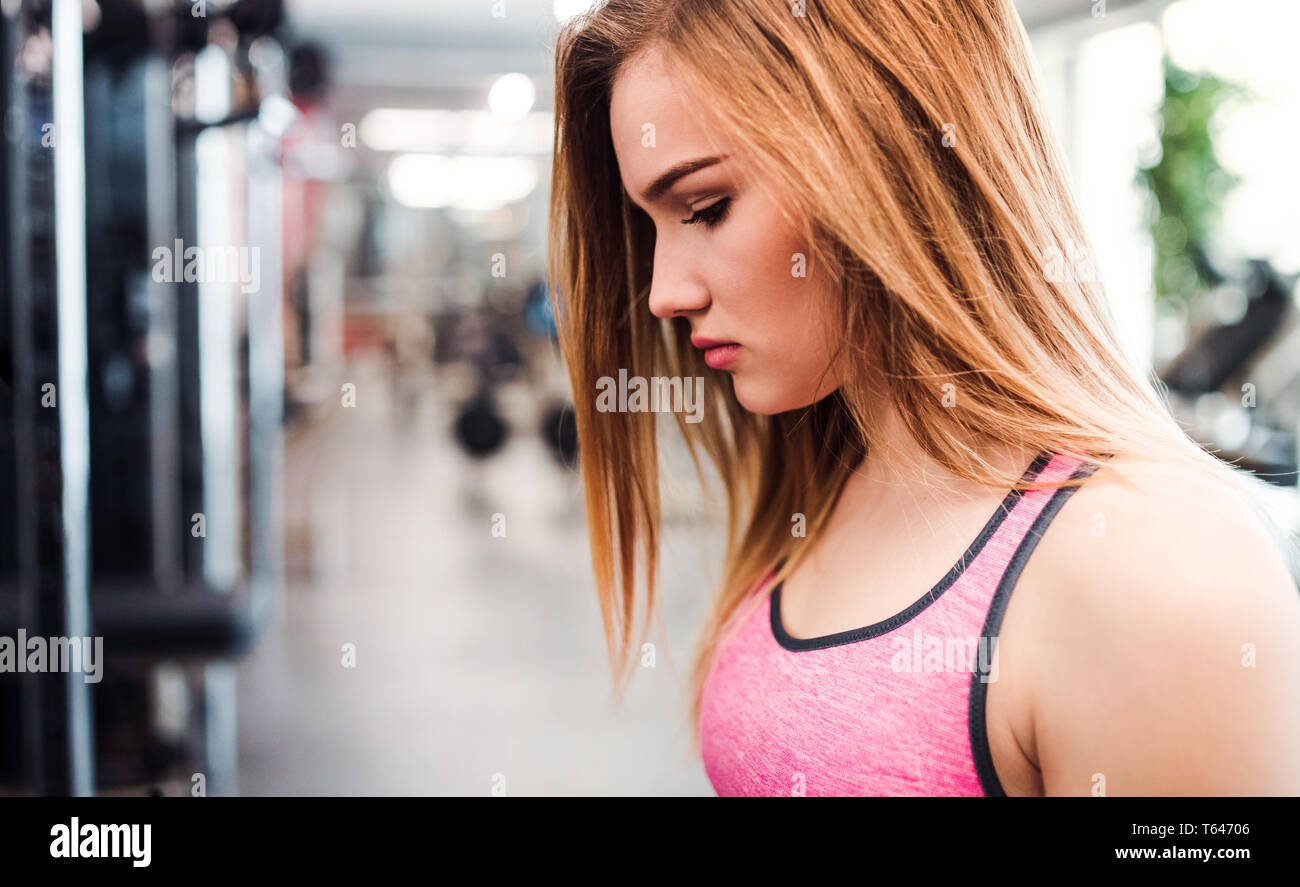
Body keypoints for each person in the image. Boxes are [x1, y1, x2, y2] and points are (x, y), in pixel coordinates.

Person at [547, 0, 1300, 796]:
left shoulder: (1159, 568)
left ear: (885, 155)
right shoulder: (830, 476)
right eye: (654, 224)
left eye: (706, 208)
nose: (663, 292)